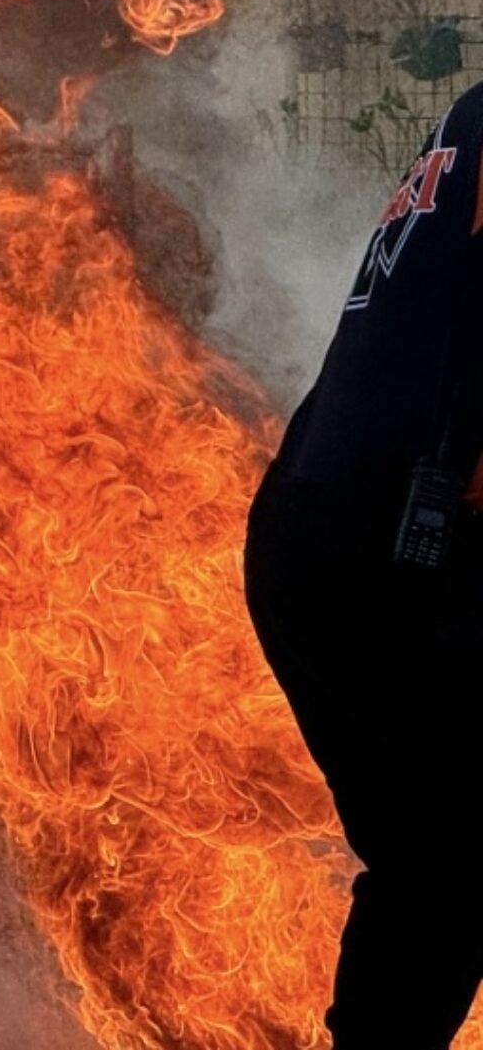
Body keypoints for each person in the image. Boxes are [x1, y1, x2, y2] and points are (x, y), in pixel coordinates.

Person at [247, 83, 483, 1049]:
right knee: (452, 858)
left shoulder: (473, 115)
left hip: (313, 533)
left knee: (437, 869)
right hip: (390, 557)